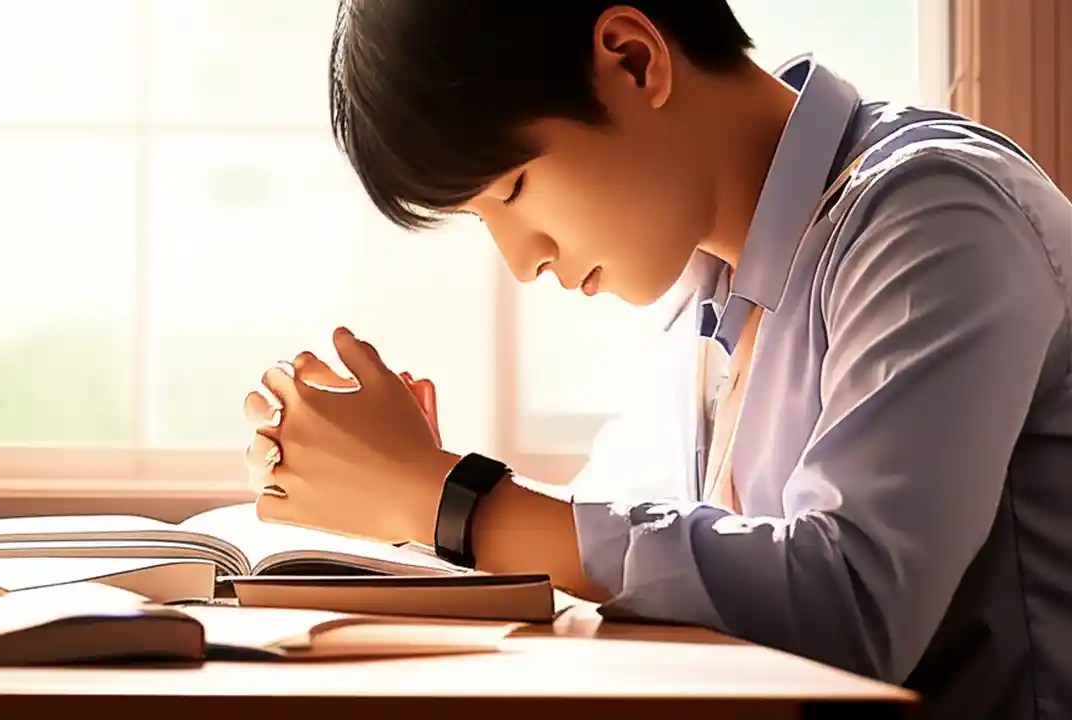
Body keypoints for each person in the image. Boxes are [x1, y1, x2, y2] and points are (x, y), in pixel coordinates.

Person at [241, 2, 1072, 718]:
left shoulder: (935, 216)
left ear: (634, 61)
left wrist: (450, 500)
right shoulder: (708, 288)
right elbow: (639, 563)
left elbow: (852, 610)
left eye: (514, 190)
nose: (523, 261)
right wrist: (403, 500)